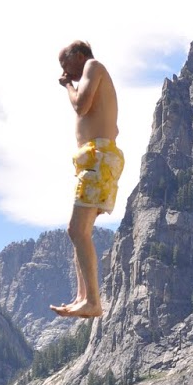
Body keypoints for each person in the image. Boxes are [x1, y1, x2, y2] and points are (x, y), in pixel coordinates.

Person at [49, 40, 124, 320]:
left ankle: (92, 300)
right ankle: (84, 297)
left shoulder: (93, 66)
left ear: (79, 56)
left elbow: (81, 106)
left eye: (65, 63)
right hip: (96, 159)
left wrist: (68, 86)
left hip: (98, 158)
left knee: (76, 230)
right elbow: (112, 126)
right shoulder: (96, 76)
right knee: (80, 233)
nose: (64, 71)